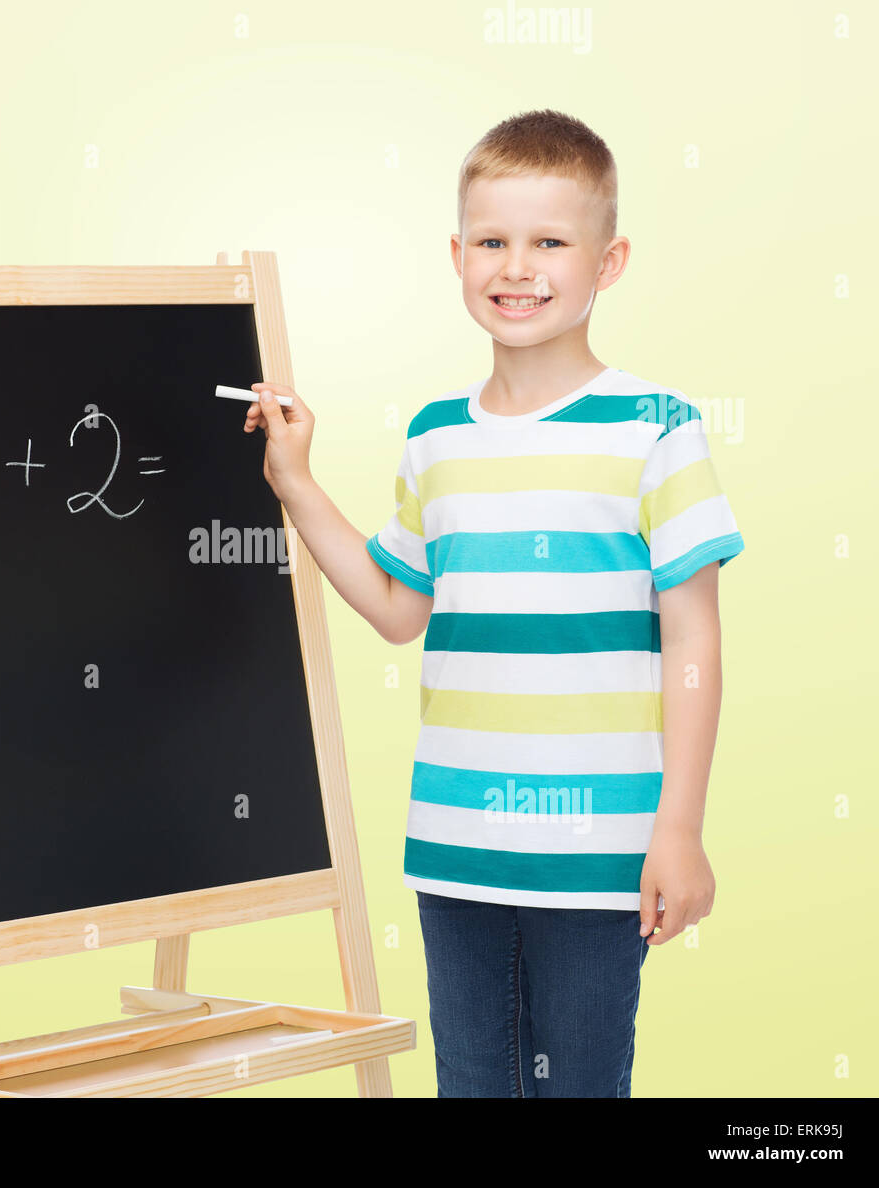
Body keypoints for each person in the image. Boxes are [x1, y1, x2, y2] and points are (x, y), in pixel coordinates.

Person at [242, 108, 744, 1097]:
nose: (516, 267)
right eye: (492, 242)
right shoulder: (435, 437)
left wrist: (676, 828)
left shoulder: (657, 429)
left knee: (579, 1086)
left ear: (608, 261)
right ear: (457, 254)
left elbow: (693, 635)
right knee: (471, 1084)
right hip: (456, 852)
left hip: (598, 856)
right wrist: (296, 484)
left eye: (549, 241)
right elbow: (395, 608)